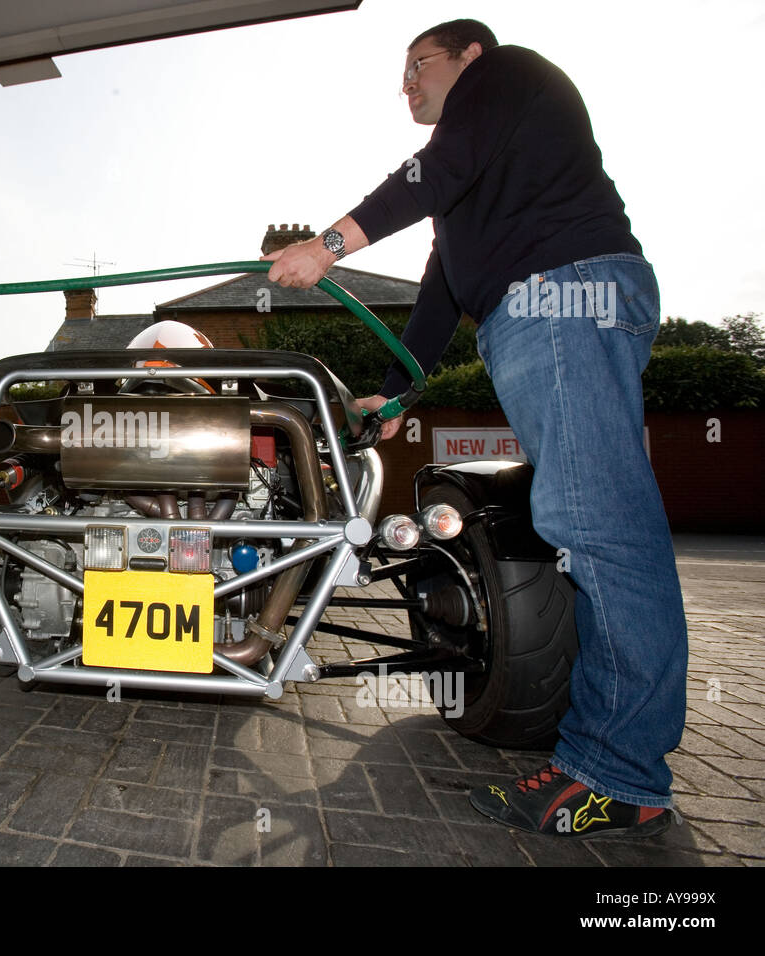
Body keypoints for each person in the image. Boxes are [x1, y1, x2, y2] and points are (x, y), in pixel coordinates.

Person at [262, 18, 687, 839]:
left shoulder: (506, 80)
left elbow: (432, 169)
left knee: (599, 530)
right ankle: (618, 762)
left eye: (418, 65)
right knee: (591, 525)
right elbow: (438, 292)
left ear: (470, 58)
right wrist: (394, 397)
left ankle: (618, 773)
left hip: (562, 297)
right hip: (540, 309)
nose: (408, 85)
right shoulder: (477, 175)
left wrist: (330, 243)